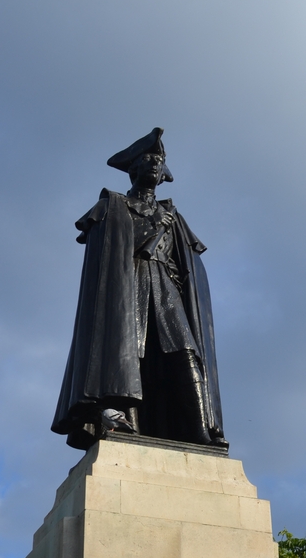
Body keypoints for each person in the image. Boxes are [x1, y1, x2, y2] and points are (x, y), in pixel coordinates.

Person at [52, 128, 227, 452]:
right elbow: (101, 263)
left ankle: (200, 428)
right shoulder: (112, 206)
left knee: (185, 353)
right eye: (148, 158)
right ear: (133, 168)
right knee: (126, 352)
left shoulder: (172, 216)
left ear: (164, 174)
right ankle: (122, 420)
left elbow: (187, 263)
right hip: (126, 285)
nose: (153, 164)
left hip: (164, 288)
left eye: (159, 161)